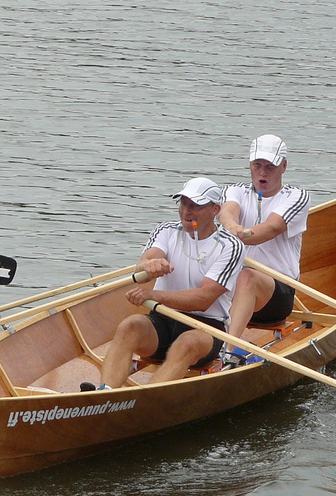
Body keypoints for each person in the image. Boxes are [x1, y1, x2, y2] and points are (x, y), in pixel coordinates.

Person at [83, 177, 244, 390]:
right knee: (128, 326)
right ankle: (104, 394)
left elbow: (204, 298)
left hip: (207, 327)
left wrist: (154, 296)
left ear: (215, 210)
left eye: (195, 205)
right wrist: (150, 265)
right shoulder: (167, 231)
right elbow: (143, 264)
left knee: (185, 344)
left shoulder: (230, 246)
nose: (187, 211)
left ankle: (144, 401)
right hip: (163, 319)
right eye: (184, 203)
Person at [218, 134, 311, 348]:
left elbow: (271, 227)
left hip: (277, 295)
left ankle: (226, 351)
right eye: (257, 164)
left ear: (284, 166)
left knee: (247, 277)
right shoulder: (234, 191)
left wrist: (242, 233)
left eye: (270, 166)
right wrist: (231, 226)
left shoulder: (296, 196)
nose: (263, 172)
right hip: (232, 289)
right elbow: (226, 213)